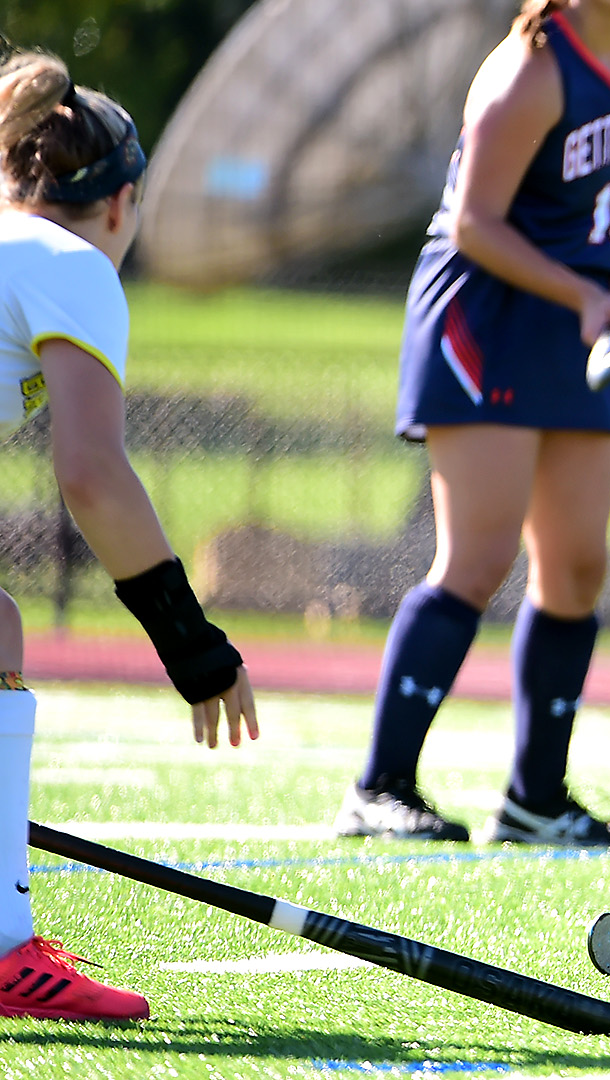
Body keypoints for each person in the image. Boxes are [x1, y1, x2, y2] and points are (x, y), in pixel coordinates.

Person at [335, 0, 610, 848]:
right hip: (489, 319)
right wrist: (583, 289)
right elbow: (474, 223)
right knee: (477, 560)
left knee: (579, 567)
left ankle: (536, 801)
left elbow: (594, 194)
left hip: (579, 323)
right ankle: (379, 789)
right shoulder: (529, 69)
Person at [0, 50, 260, 1021]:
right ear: (124, 205)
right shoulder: (71, 266)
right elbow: (93, 476)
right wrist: (191, 643)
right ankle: (2, 950)